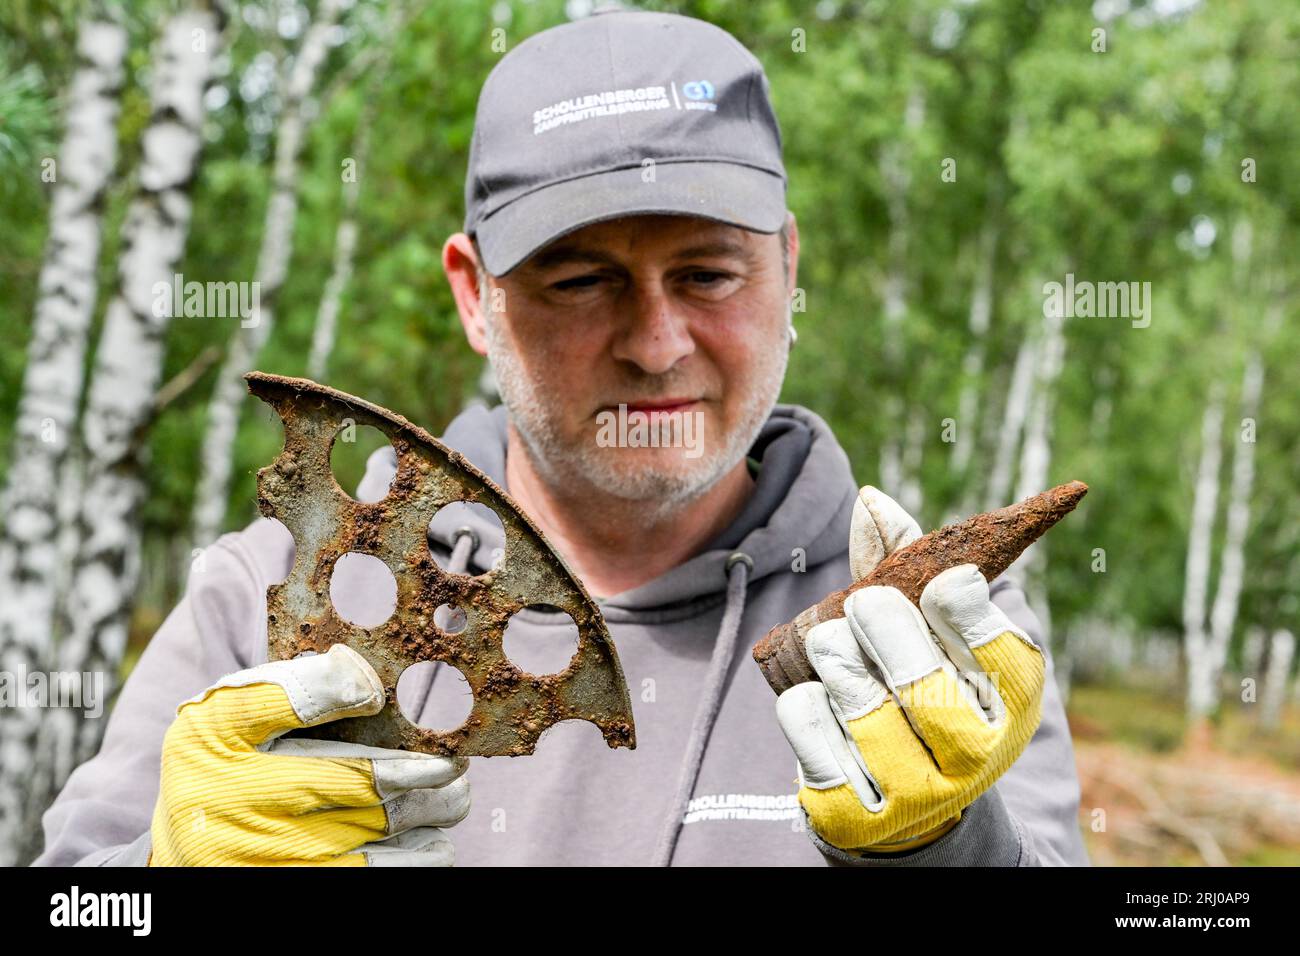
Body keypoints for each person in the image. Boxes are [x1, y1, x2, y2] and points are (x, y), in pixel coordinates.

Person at [36, 9, 1088, 867]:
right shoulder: (287, 595)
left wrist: (954, 850)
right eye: (581, 280)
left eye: (709, 273)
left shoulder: (933, 641)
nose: (655, 343)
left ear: (788, 265)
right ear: (474, 294)